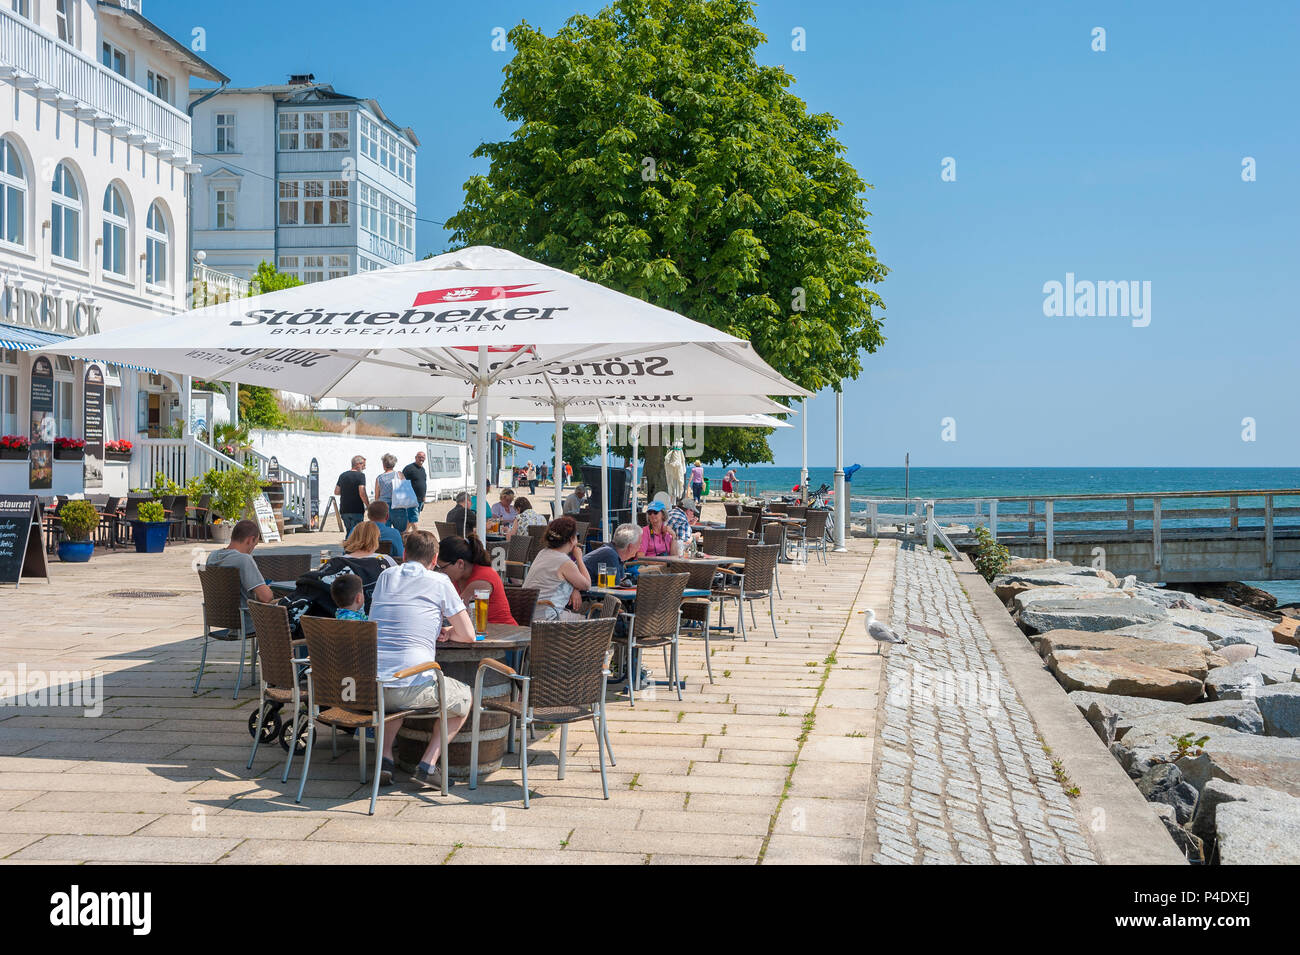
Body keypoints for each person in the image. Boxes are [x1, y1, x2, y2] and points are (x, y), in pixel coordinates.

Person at [371, 529, 477, 786]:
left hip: (370, 685)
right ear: (435, 559)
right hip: (409, 686)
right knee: (464, 696)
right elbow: (469, 635)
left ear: (405, 554)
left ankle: (385, 760)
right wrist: (449, 632)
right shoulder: (439, 582)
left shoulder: (385, 575)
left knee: (396, 694)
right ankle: (428, 764)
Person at [205, 519, 274, 631]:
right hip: (246, 621)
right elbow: (266, 597)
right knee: (293, 620)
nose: (252, 549)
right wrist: (267, 589)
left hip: (218, 619)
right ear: (250, 540)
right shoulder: (244, 560)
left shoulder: (212, 557)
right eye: (254, 544)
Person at [435, 535, 516, 625]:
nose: (441, 572)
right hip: (480, 632)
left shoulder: (482, 579)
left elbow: (456, 613)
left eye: (442, 567)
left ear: (460, 564)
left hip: (502, 632)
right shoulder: (458, 577)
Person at [522, 515, 591, 621]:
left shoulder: (543, 553)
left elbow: (552, 580)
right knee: (593, 618)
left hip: (526, 616)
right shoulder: (565, 562)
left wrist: (574, 588)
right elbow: (586, 585)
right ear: (572, 539)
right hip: (548, 618)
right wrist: (579, 558)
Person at [583, 522, 640, 586]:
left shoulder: (615, 554)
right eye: (639, 544)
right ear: (630, 547)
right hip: (581, 593)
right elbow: (614, 589)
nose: (639, 547)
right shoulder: (610, 555)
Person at [334, 455, 369, 536]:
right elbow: (362, 492)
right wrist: (368, 505)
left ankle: (348, 546)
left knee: (349, 531)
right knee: (356, 534)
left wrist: (347, 491)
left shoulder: (342, 475)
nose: (364, 467)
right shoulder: (361, 476)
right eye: (363, 465)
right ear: (358, 464)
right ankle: (349, 547)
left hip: (344, 509)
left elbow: (336, 491)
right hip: (356, 509)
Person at [402, 451, 428, 527]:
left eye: (423, 457)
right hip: (411, 499)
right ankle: (417, 537)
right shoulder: (409, 468)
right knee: (414, 520)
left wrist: (424, 496)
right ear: (415, 457)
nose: (421, 459)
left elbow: (423, 483)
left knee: (411, 520)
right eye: (419, 457)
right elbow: (402, 483)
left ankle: (403, 535)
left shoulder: (423, 469)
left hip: (420, 499)